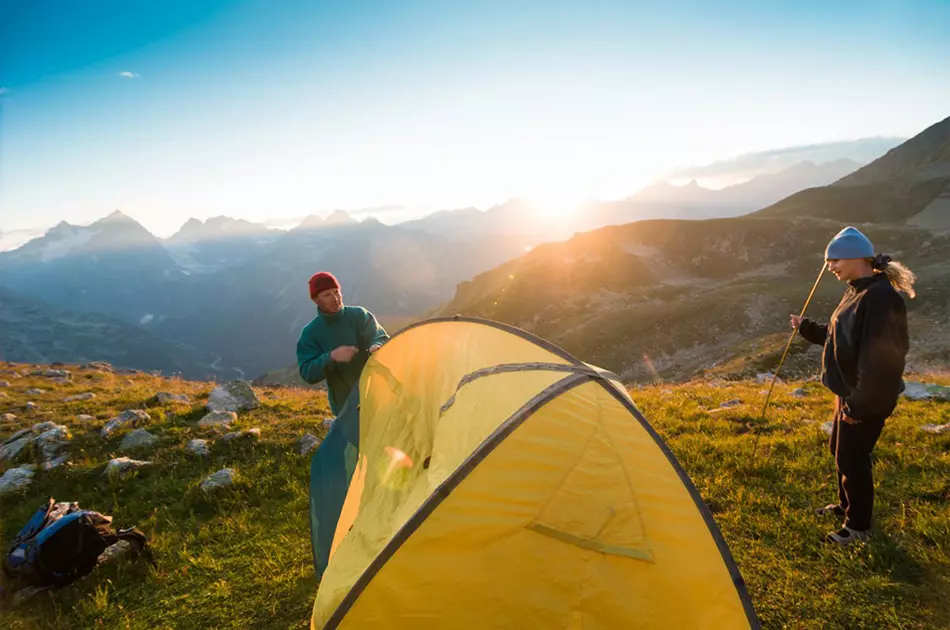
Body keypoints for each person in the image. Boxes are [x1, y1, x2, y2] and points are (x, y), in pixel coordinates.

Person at [790, 226, 914, 545]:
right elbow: (841, 338)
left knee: (852, 457)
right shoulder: (858, 288)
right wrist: (807, 329)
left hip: (866, 396)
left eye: (833, 260)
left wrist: (859, 406)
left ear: (855, 257)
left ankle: (858, 528)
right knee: (841, 451)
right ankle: (847, 506)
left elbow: (883, 360)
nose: (830, 267)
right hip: (848, 391)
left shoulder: (880, 298)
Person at [296, 271, 389, 415]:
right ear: (315, 300)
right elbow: (307, 373)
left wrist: (377, 346)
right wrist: (331, 357)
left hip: (377, 395)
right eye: (327, 295)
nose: (335, 298)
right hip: (345, 406)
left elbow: (380, 337)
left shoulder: (359, 315)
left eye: (336, 292)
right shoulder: (311, 333)